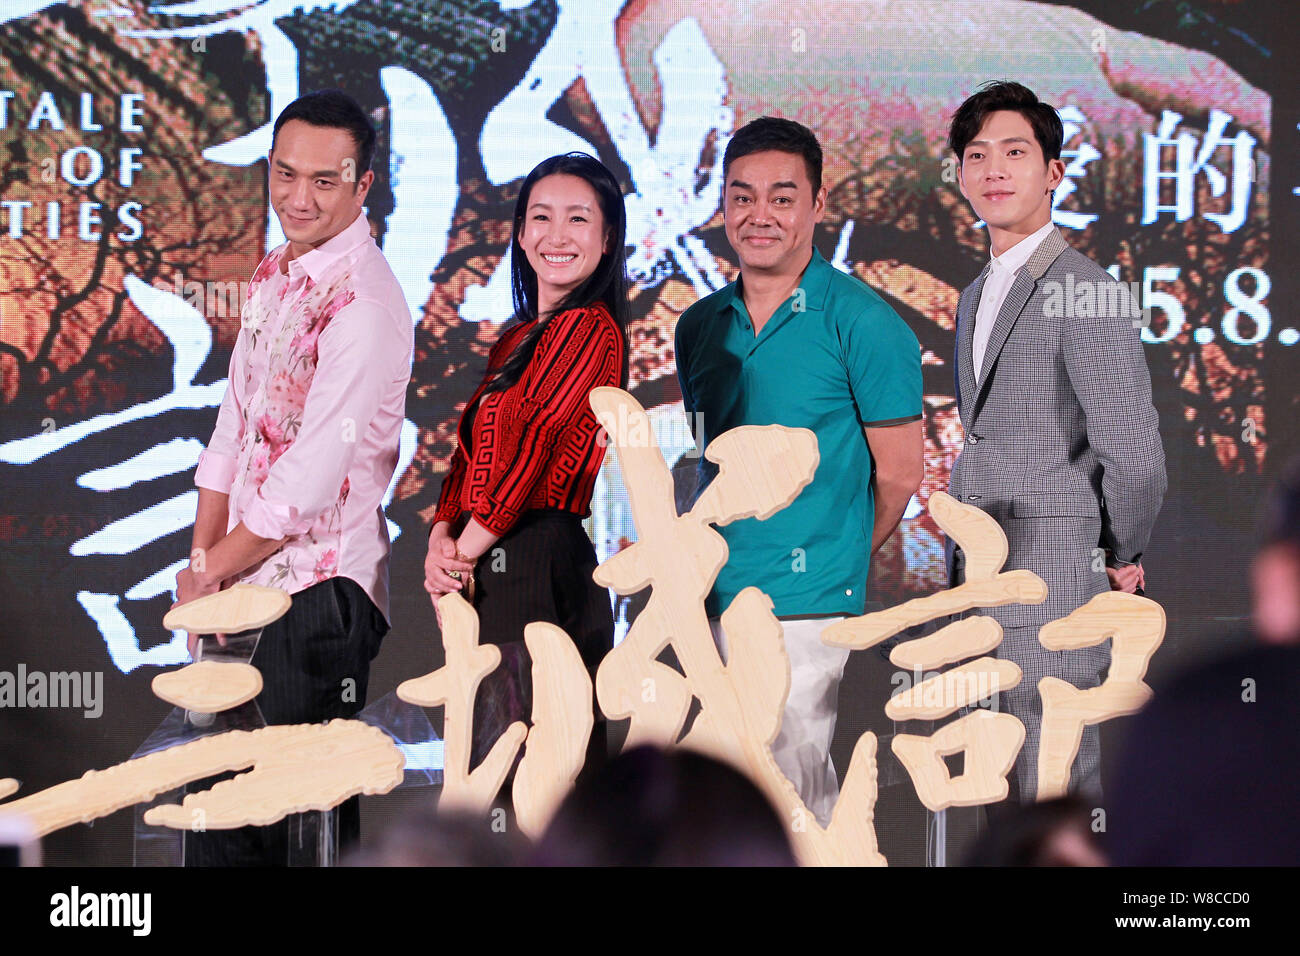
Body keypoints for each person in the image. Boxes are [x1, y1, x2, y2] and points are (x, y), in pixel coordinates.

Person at [174, 89, 414, 864]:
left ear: (362, 184)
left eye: (324, 181)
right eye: (284, 175)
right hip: (243, 582)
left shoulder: (365, 303)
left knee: (286, 833)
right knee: (215, 822)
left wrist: (218, 572)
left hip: (318, 599)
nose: (298, 198)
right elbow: (233, 428)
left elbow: (306, 484)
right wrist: (202, 566)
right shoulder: (277, 272)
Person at [674, 117, 925, 825]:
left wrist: (834, 555)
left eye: (782, 197)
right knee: (714, 802)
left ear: (818, 205)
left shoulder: (865, 321)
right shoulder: (699, 324)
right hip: (709, 596)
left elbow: (901, 474)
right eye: (742, 196)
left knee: (791, 797)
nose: (760, 215)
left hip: (808, 602)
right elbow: (706, 458)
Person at [944, 81, 1166, 812]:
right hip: (983, 581)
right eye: (978, 155)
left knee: (1055, 789)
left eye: (1016, 152)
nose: (995, 170)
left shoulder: (1086, 289)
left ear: (1054, 173)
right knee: (998, 794)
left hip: (1057, 581)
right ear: (961, 173)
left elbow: (1133, 456)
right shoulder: (979, 292)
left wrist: (1120, 553)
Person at [424, 152, 628, 771]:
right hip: (488, 554)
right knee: (491, 757)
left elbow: (533, 448)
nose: (556, 236)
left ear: (607, 237)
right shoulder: (516, 338)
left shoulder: (591, 329)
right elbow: (472, 459)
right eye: (541, 217)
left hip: (539, 555)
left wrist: (463, 550)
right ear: (519, 232)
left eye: (577, 219)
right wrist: (441, 533)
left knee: (538, 767)